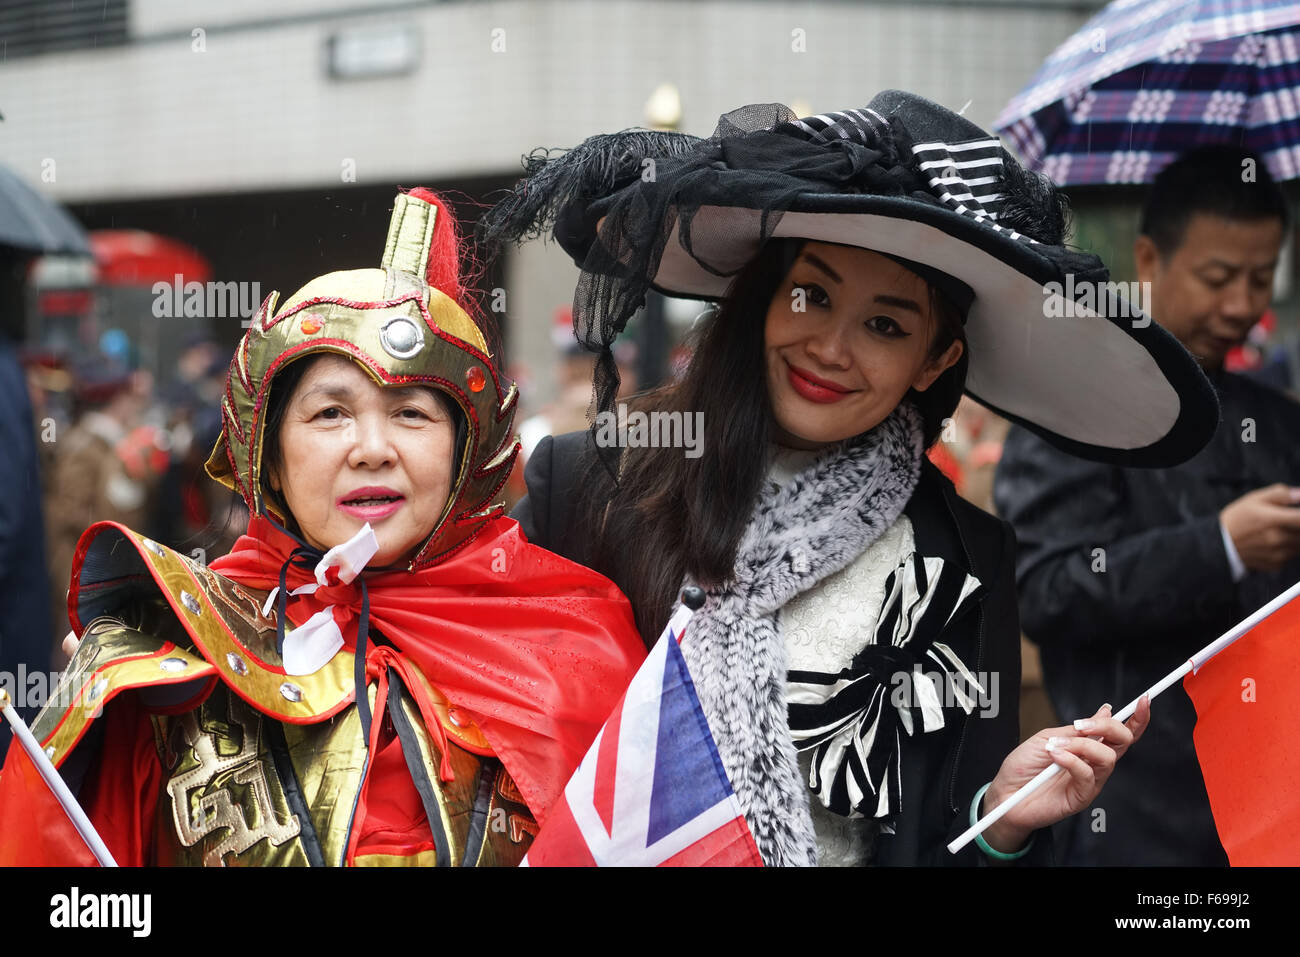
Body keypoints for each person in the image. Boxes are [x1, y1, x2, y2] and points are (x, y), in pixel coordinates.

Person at [481, 91, 1220, 866]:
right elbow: (486, 730)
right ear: (763, 296)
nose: (832, 347)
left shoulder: (968, 558)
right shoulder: (590, 482)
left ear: (936, 360)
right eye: (812, 294)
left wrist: (1000, 816)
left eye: (886, 325)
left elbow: (944, 844)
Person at [0, 188, 645, 866]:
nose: (371, 447)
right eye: (330, 413)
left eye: (412, 414)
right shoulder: (169, 655)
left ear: (463, 452)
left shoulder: (574, 640)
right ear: (270, 459)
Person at [994, 146, 1300, 866]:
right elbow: (1049, 590)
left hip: (1270, 791)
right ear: (1149, 259)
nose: (1241, 305)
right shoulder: (1078, 408)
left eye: (1262, 279)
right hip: (1128, 810)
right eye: (1218, 277)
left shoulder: (1279, 419)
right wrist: (1220, 545)